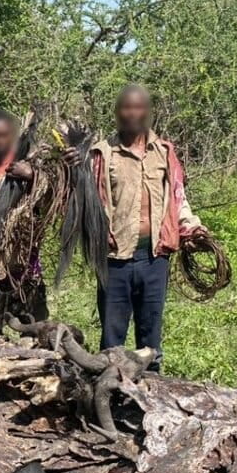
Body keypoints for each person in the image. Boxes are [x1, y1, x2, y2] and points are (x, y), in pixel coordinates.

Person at [87, 84, 205, 371]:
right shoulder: (102, 155)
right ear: (117, 113)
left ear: (148, 112)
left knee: (150, 336)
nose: (132, 113)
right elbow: (86, 204)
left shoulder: (164, 152)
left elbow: (178, 197)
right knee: (112, 338)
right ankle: (111, 394)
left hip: (154, 258)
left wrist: (192, 227)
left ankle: (152, 393)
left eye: (139, 108)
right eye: (126, 108)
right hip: (115, 260)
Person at [0, 109, 48, 335]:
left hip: (25, 267)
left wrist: (32, 176)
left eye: (5, 135)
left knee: (35, 330)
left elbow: (52, 198)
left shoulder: (31, 168)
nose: (0, 140)